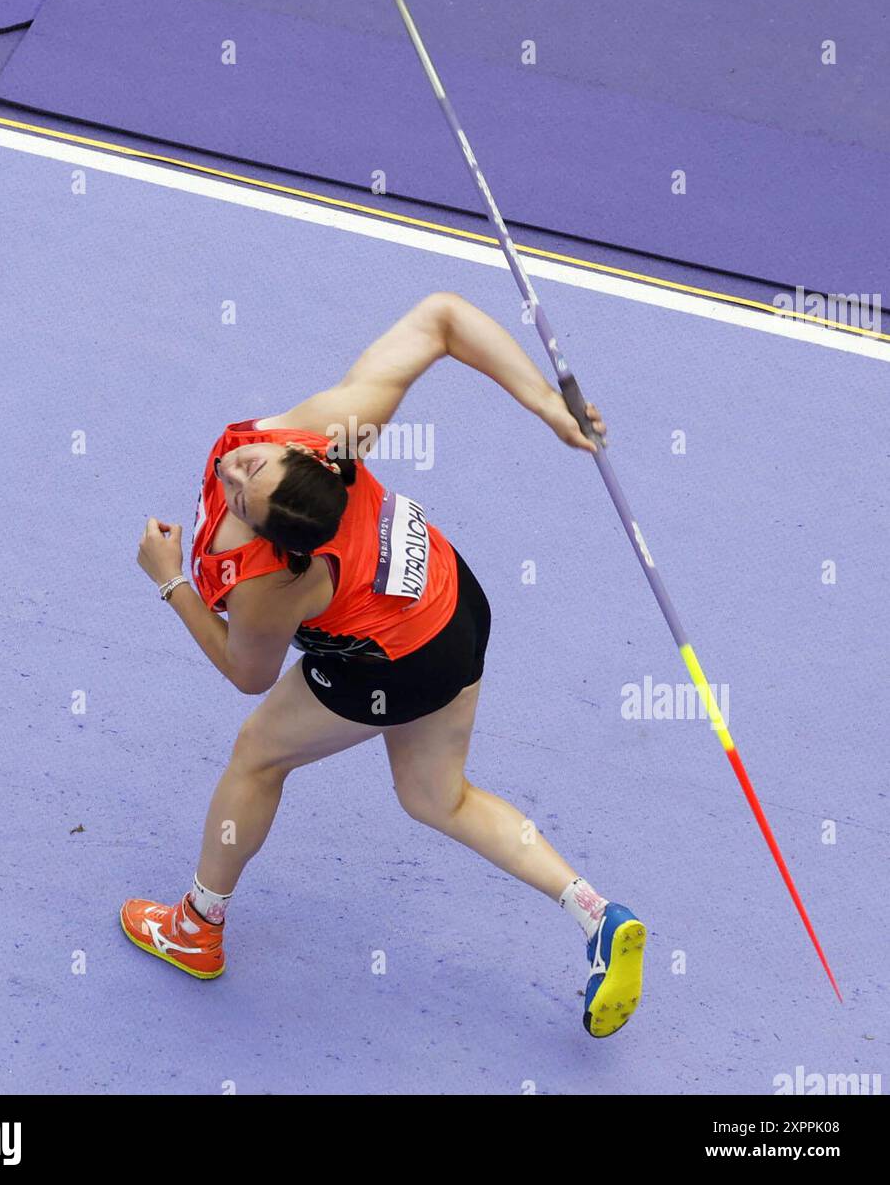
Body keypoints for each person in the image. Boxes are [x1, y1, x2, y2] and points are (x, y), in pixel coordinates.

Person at [121, 291, 645, 1038]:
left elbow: (248, 671)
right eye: (250, 466)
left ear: (276, 538)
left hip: (395, 660)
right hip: (450, 601)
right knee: (438, 799)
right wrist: (546, 405)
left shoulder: (268, 582)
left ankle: (196, 929)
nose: (236, 467)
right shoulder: (328, 431)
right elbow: (441, 318)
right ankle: (596, 914)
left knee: (257, 758)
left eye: (247, 489)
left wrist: (171, 581)